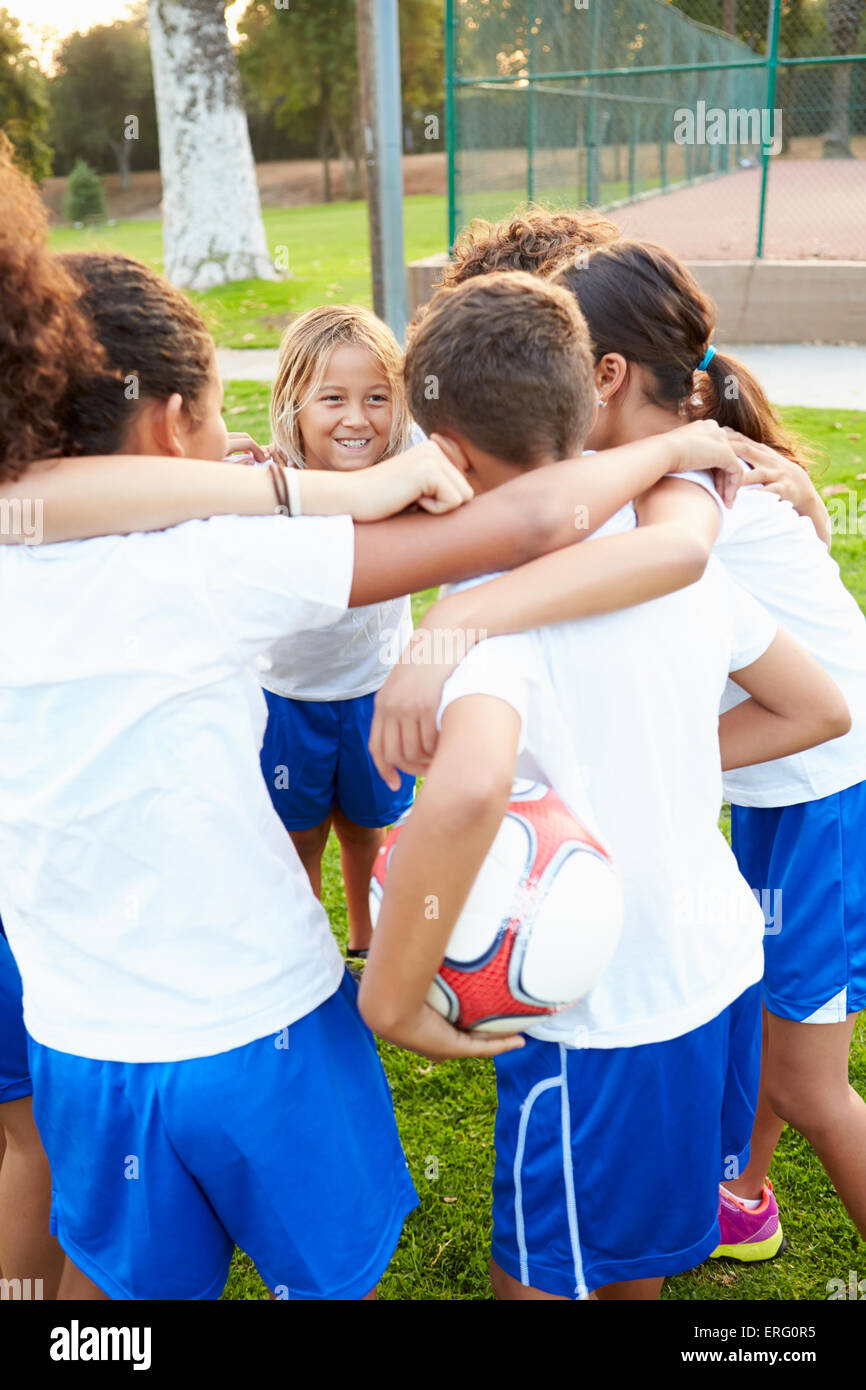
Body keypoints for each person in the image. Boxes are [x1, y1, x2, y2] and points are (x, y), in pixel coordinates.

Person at [0, 147, 743, 1300]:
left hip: (83, 1041)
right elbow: (535, 515)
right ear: (172, 420)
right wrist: (680, 451)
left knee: (116, 1292)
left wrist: (285, 488)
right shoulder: (212, 561)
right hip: (264, 1027)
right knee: (326, 1275)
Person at [357, 270, 850, 1301]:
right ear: (588, 399)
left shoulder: (484, 618)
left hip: (597, 1012)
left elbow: (462, 795)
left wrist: (392, 990)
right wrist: (657, 759)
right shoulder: (676, 553)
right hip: (713, 972)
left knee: (544, 1272)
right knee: (637, 1257)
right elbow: (813, 709)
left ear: (444, 453)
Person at [257, 306, 416, 960]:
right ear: (295, 406)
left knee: (366, 826)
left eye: (376, 397)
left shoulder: (412, 464)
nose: (358, 418)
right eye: (333, 399)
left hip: (376, 689)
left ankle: (367, 939)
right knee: (298, 835)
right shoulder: (269, 488)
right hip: (287, 697)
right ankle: (304, 951)